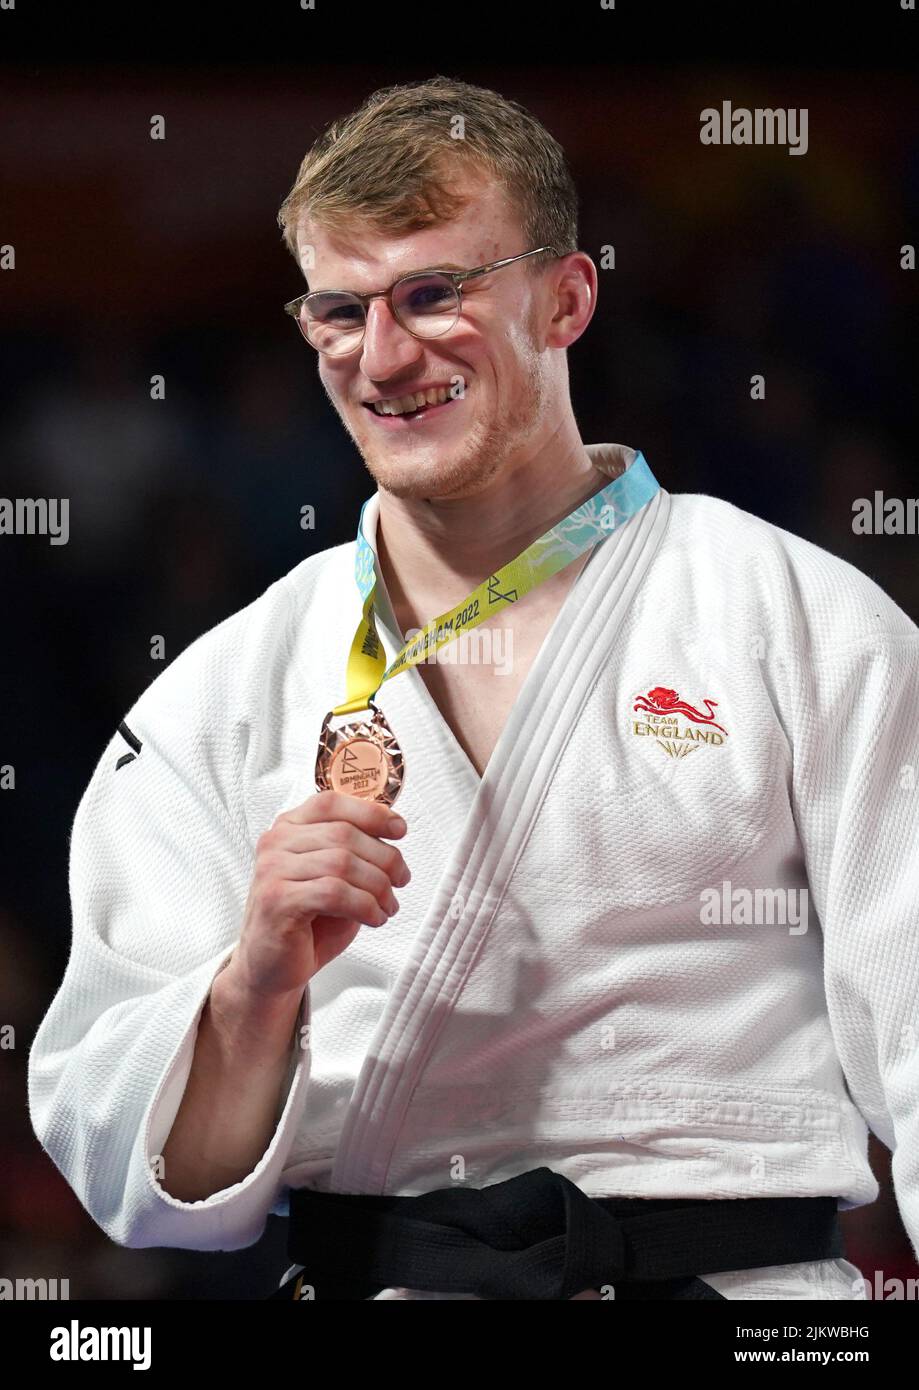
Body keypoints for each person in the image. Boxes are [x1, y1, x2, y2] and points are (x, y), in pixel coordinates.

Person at [28, 76, 918, 1301]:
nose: (385, 356)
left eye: (433, 293)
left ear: (566, 299)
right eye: (341, 311)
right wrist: (254, 987)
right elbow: (135, 1179)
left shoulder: (801, 622)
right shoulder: (223, 692)